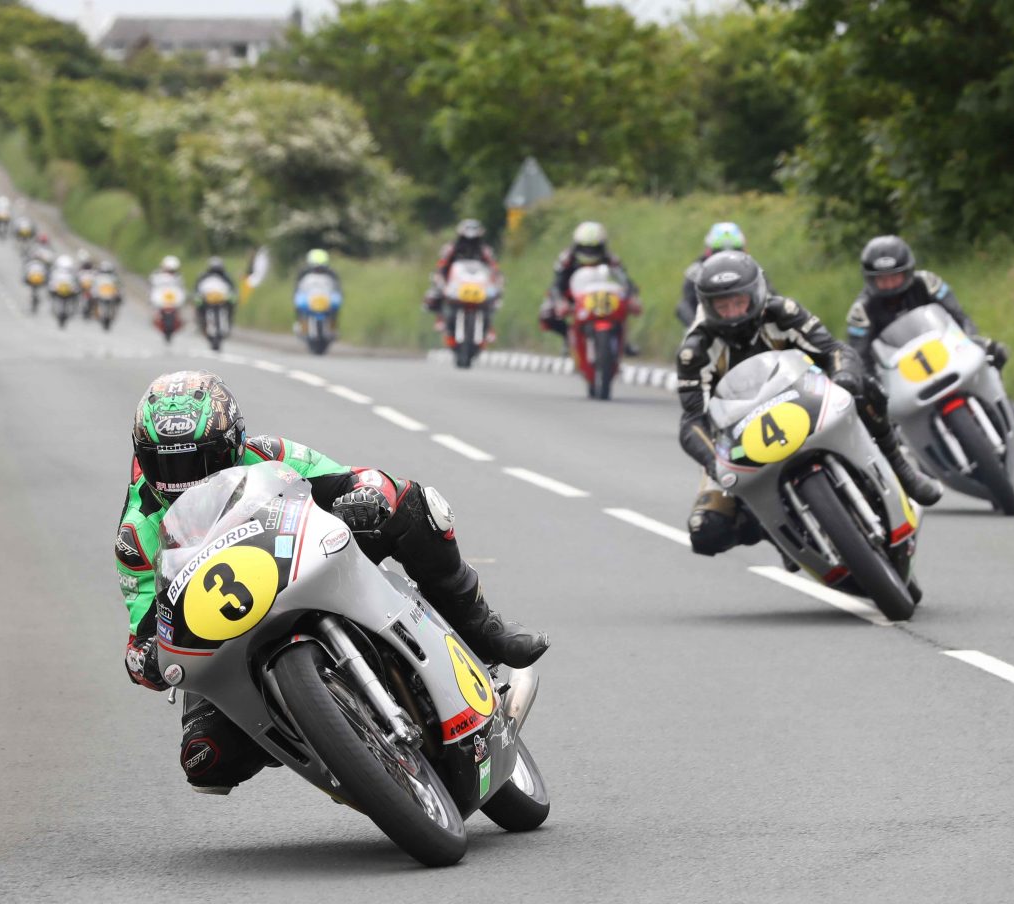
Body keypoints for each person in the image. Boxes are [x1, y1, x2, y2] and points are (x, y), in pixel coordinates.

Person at [115, 370, 550, 793]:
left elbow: (356, 478)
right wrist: (146, 659)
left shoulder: (267, 452)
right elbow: (146, 632)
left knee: (410, 504)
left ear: (234, 442)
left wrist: (369, 495)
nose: (186, 476)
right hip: (227, 627)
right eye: (165, 462)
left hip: (303, 564)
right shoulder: (136, 533)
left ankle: (483, 628)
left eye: (199, 459)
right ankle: (325, 737)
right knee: (205, 759)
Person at [676, 251, 942, 558]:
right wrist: (716, 464)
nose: (733, 313)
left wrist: (844, 375)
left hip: (806, 401)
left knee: (864, 386)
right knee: (706, 532)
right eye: (722, 306)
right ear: (707, 306)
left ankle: (899, 466)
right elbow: (692, 420)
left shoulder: (782, 312)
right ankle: (773, 530)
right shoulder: (695, 350)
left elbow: (834, 350)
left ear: (755, 294)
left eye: (739, 302)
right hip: (740, 440)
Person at [845, 236, 1014, 390]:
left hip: (945, 350)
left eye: (895, 276)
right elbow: (860, 356)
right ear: (870, 279)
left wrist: (969, 339)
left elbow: (959, 316)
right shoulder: (861, 310)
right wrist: (874, 384)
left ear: (907, 271)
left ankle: (1001, 400)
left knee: (994, 350)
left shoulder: (927, 282)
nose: (890, 284)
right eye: (882, 279)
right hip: (899, 373)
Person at [538, 221, 641, 354]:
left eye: (595, 248)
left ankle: (622, 341)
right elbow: (556, 285)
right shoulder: (566, 259)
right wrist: (559, 301)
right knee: (546, 313)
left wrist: (632, 297)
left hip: (603, 295)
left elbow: (625, 280)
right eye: (585, 247)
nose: (590, 252)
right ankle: (568, 337)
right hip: (573, 296)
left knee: (624, 305)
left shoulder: (609, 258)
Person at [424, 218, 500, 319]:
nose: (470, 242)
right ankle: (441, 319)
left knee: (497, 292)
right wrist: (440, 280)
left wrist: (496, 282)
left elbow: (493, 267)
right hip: (454, 285)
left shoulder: (485, 250)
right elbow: (442, 266)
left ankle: (488, 327)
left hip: (478, 286)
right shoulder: (451, 248)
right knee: (435, 289)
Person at [675, 222, 745, 327]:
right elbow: (686, 304)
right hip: (707, 329)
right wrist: (697, 327)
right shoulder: (696, 271)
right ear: (708, 251)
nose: (726, 260)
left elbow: (769, 295)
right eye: (719, 253)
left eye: (735, 253)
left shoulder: (753, 270)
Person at [193, 256, 238, 332]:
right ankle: (201, 322)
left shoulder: (226, 276)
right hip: (207, 299)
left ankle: (228, 320)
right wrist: (199, 296)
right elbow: (197, 288)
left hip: (223, 299)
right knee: (199, 305)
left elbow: (232, 288)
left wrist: (232, 296)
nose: (216, 271)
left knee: (232, 303)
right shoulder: (204, 275)